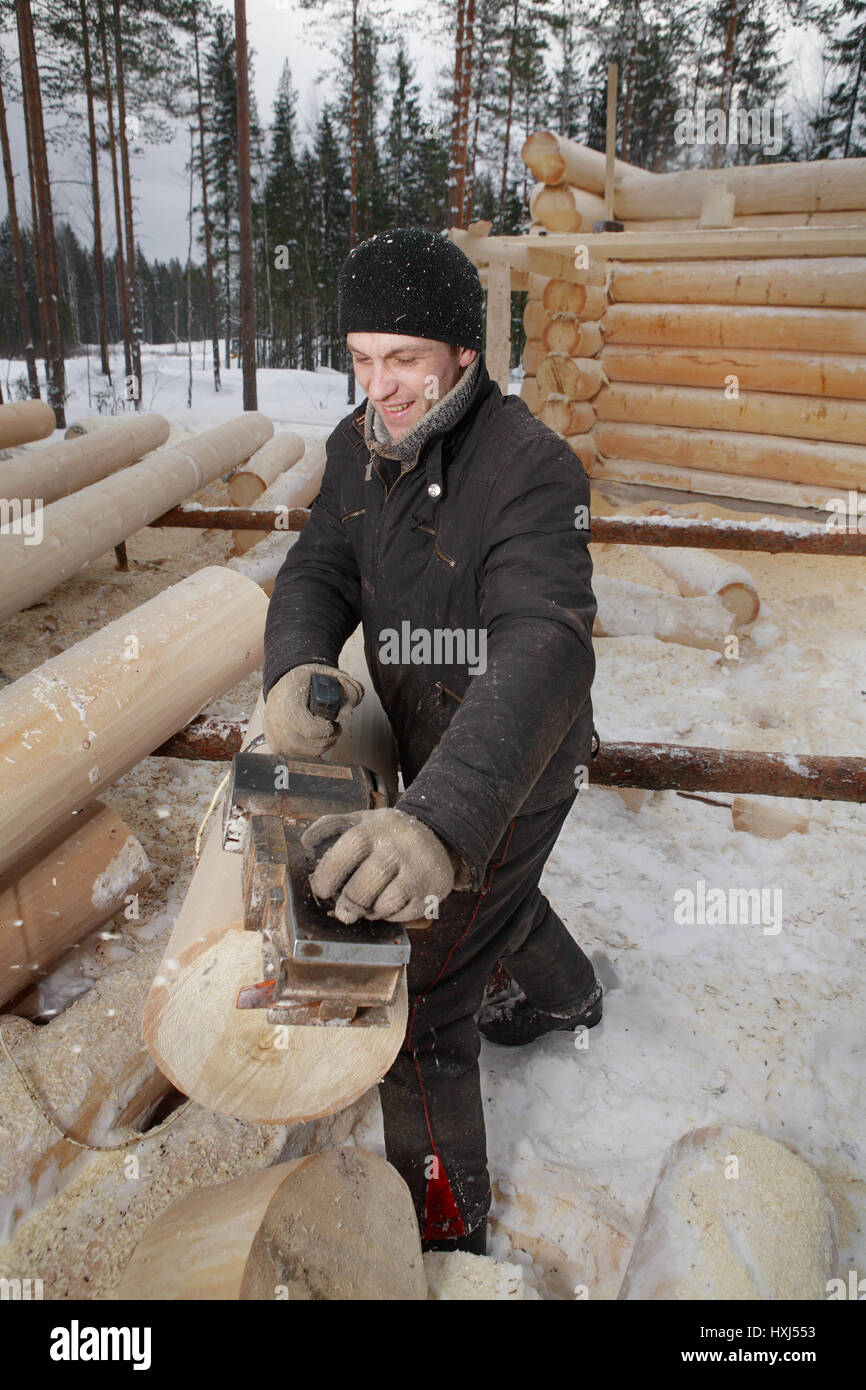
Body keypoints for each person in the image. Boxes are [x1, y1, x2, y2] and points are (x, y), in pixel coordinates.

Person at [262, 227, 602, 1255]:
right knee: (487, 903)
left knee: (422, 990)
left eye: (403, 359)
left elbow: (545, 643)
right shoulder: (355, 447)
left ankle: (444, 1234)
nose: (381, 385)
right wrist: (296, 664)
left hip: (513, 758)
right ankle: (570, 993)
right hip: (423, 738)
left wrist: (439, 821)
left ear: (462, 353)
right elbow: (319, 563)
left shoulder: (531, 469)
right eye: (361, 359)